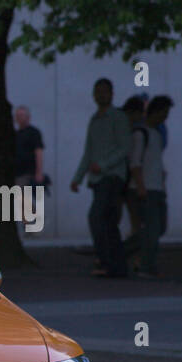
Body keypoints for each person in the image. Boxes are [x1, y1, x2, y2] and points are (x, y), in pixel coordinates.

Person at [70, 78, 131, 277]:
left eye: (104, 92)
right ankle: (116, 266)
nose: (100, 95)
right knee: (108, 222)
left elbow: (124, 147)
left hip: (112, 177)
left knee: (98, 217)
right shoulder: (94, 119)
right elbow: (88, 152)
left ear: (112, 94)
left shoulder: (118, 117)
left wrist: (103, 165)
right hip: (97, 179)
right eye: (97, 92)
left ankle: (108, 261)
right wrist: (77, 177)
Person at [130, 95, 172, 277]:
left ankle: (119, 251)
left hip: (157, 188)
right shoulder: (141, 133)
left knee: (158, 228)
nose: (165, 118)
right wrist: (140, 187)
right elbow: (135, 163)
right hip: (146, 188)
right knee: (152, 230)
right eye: (164, 113)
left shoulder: (156, 134)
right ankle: (147, 266)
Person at [120, 95, 148, 257]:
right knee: (138, 224)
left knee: (136, 223)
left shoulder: (130, 131)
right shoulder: (136, 133)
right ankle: (130, 254)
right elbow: (135, 162)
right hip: (130, 182)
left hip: (125, 181)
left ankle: (129, 254)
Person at [13, 105, 46, 187]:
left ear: (28, 117)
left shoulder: (34, 133)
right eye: (17, 116)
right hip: (17, 173)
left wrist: (39, 173)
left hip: (28, 174)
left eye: (21, 115)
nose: (18, 118)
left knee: (25, 198)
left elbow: (39, 152)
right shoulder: (15, 134)